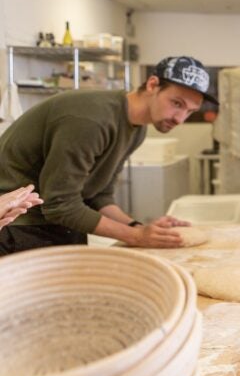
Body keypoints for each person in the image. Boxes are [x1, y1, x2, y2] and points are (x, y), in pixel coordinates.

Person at [0, 56, 218, 255]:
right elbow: (60, 205)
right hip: (18, 224)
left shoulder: (137, 129)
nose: (180, 118)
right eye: (177, 103)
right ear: (152, 85)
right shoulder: (91, 120)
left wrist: (138, 228)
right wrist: (136, 236)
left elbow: (99, 194)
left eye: (190, 111)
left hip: (57, 224)